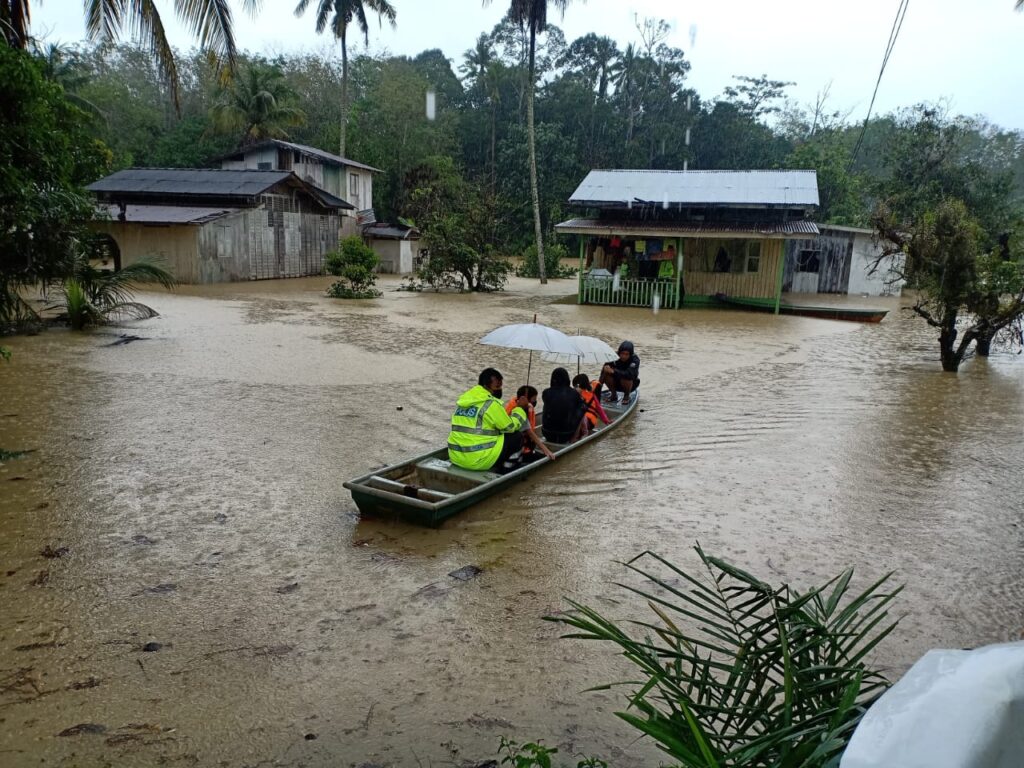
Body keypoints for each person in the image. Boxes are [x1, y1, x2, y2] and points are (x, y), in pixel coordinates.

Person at [448, 368, 529, 473]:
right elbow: (510, 427)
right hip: (478, 461)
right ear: (486, 386)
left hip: (456, 457)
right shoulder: (490, 404)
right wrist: (520, 409)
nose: (499, 389)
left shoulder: (463, 402)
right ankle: (508, 469)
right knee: (516, 436)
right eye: (497, 386)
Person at [505, 385, 556, 463]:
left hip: (507, 447)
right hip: (522, 451)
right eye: (534, 399)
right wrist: (547, 451)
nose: (535, 402)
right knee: (545, 458)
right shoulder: (522, 412)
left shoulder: (511, 405)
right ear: (525, 399)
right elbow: (531, 434)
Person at [541, 368, 587, 444]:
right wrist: (578, 394)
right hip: (566, 435)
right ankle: (574, 438)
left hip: (546, 433)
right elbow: (581, 407)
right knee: (582, 408)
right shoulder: (574, 393)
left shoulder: (546, 392)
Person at [597, 341, 640, 405]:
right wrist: (597, 389)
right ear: (619, 353)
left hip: (631, 384)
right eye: (622, 353)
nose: (623, 356)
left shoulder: (635, 360)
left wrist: (614, 371)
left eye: (626, 354)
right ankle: (613, 395)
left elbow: (630, 374)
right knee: (607, 374)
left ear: (630, 354)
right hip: (615, 383)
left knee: (626, 377)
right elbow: (603, 373)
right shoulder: (613, 356)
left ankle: (626, 396)